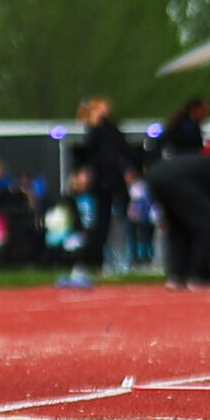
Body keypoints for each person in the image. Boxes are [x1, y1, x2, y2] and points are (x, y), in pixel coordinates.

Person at [151, 111, 210, 290]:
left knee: (178, 226)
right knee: (208, 224)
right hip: (177, 179)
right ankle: (200, 275)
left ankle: (177, 275)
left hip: (158, 174)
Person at [60, 96, 130, 289]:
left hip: (110, 184)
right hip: (103, 185)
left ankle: (112, 261)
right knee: (99, 224)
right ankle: (96, 261)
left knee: (111, 224)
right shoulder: (97, 133)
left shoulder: (107, 131)